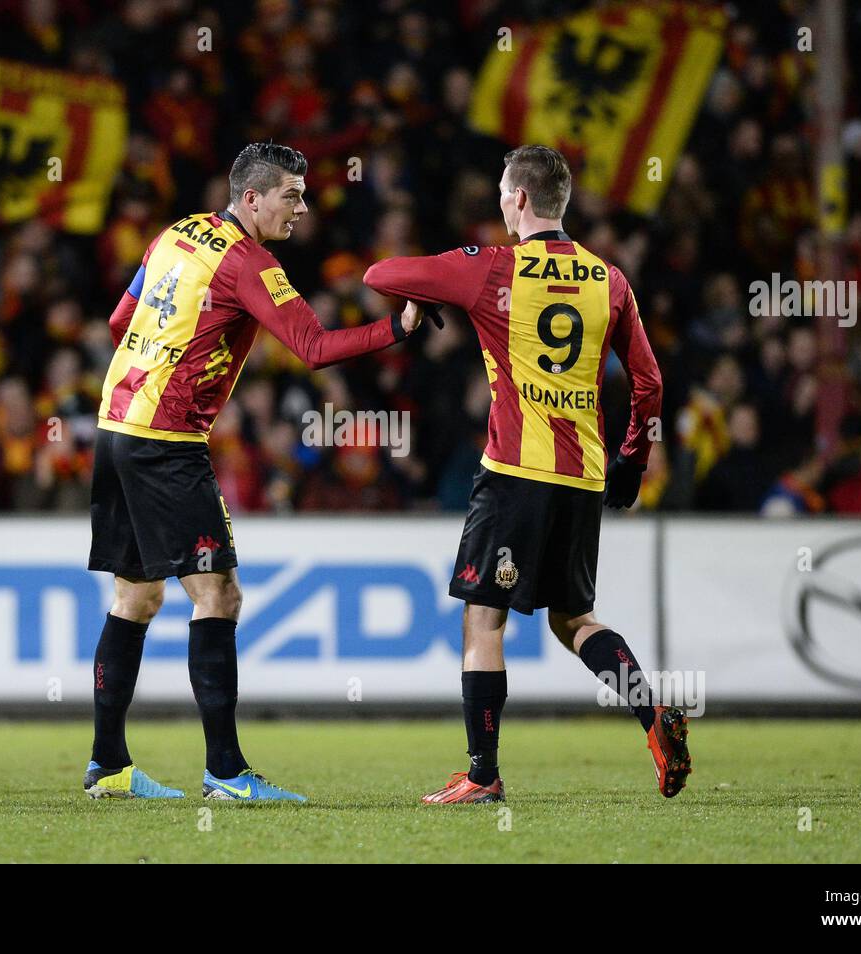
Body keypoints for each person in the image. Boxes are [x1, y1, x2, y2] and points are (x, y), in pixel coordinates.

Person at [85, 143, 425, 801]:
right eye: (291, 196)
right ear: (252, 198)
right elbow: (315, 348)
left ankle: (109, 767)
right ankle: (226, 774)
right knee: (219, 597)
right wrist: (399, 327)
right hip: (166, 441)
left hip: (115, 425)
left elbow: (120, 318)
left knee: (136, 597)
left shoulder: (176, 233)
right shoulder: (249, 263)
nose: (301, 208)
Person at [365, 145, 691, 802]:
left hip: (514, 472)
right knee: (575, 620)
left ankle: (483, 774)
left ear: (517, 200)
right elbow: (650, 382)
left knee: (483, 620)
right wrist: (632, 461)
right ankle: (651, 712)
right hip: (582, 475)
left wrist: (418, 296)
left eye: (502, 195)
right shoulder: (610, 280)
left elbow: (379, 271)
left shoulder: (491, 269)